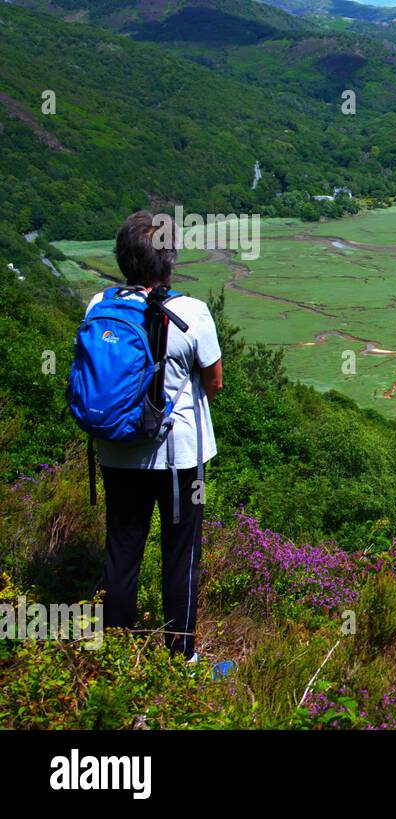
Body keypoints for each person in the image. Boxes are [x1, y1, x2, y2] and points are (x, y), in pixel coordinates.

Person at [89, 211, 223, 661]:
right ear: (168, 261)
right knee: (181, 555)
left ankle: (116, 657)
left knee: (122, 551)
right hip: (178, 457)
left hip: (116, 450)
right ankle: (181, 659)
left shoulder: (97, 305)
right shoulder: (192, 312)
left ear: (123, 259)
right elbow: (215, 381)